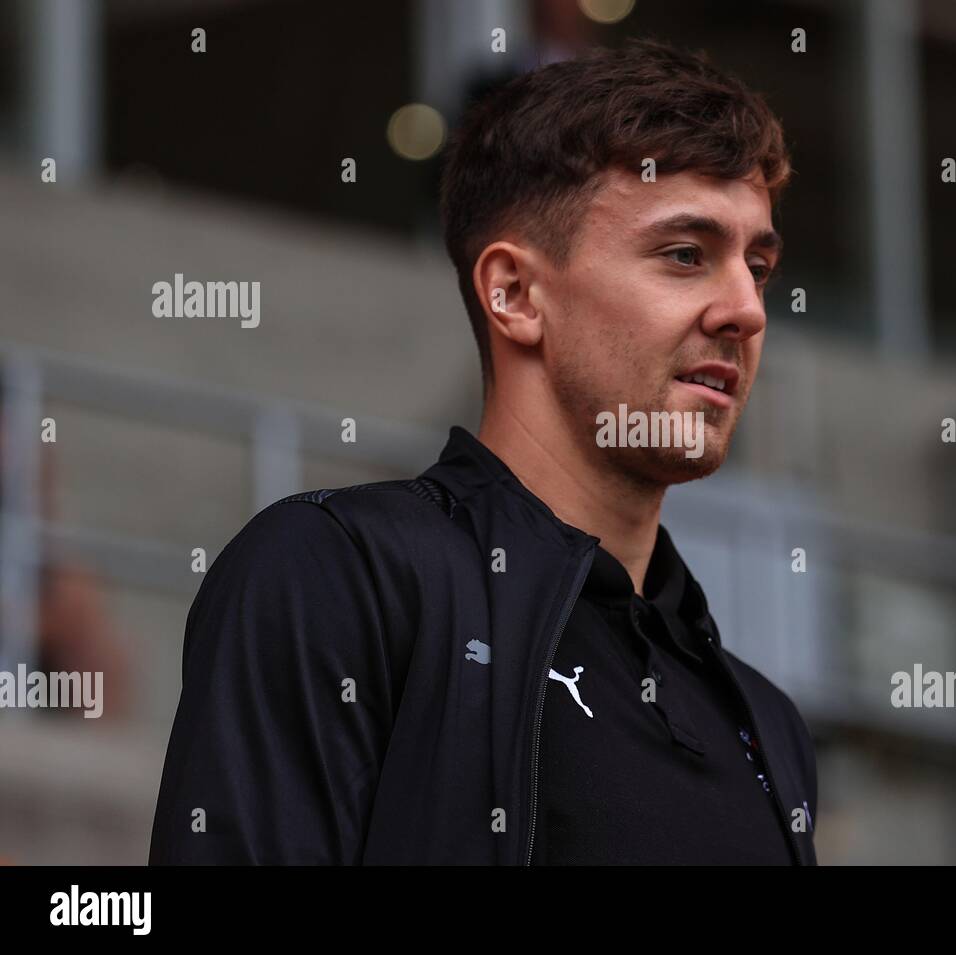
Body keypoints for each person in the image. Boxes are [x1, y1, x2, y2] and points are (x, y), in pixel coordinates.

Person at [149, 37, 817, 865]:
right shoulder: (339, 574)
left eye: (758, 266)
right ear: (514, 295)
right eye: (686, 254)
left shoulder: (767, 723)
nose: (746, 310)